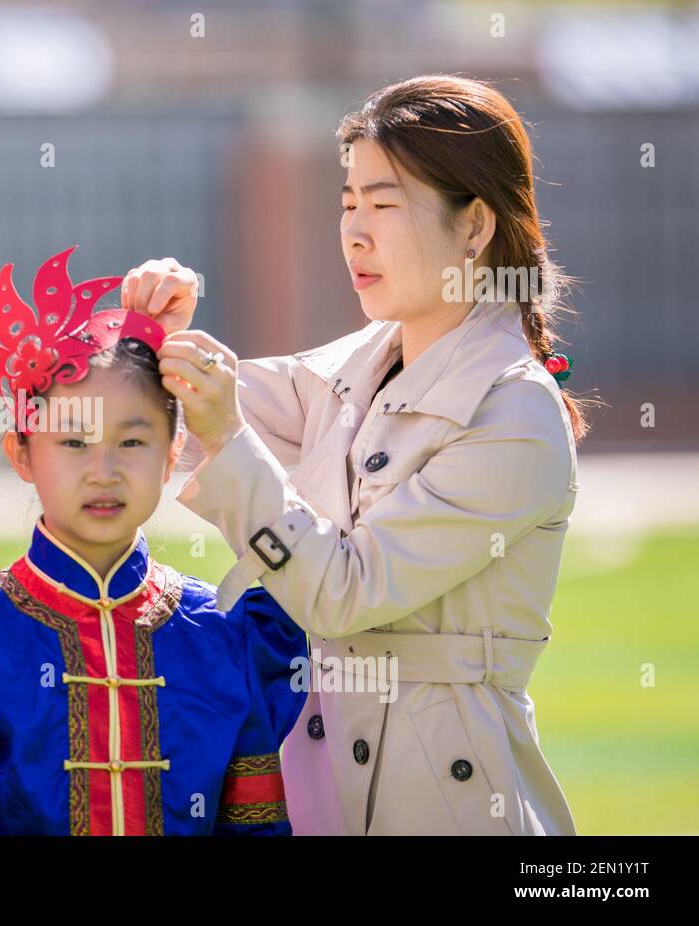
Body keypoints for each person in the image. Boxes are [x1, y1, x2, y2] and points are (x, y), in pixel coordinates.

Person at [154, 75, 589, 835]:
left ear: (475, 224)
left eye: (384, 204)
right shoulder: (355, 363)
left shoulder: (516, 411)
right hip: (303, 781)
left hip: (447, 798)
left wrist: (225, 435)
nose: (355, 232)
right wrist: (152, 336)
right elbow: (173, 412)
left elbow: (347, 594)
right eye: (349, 203)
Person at [0, 248, 307, 835]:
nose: (103, 471)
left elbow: (255, 823)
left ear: (173, 452)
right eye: (74, 444)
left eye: (132, 443)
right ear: (22, 454)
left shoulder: (227, 637)